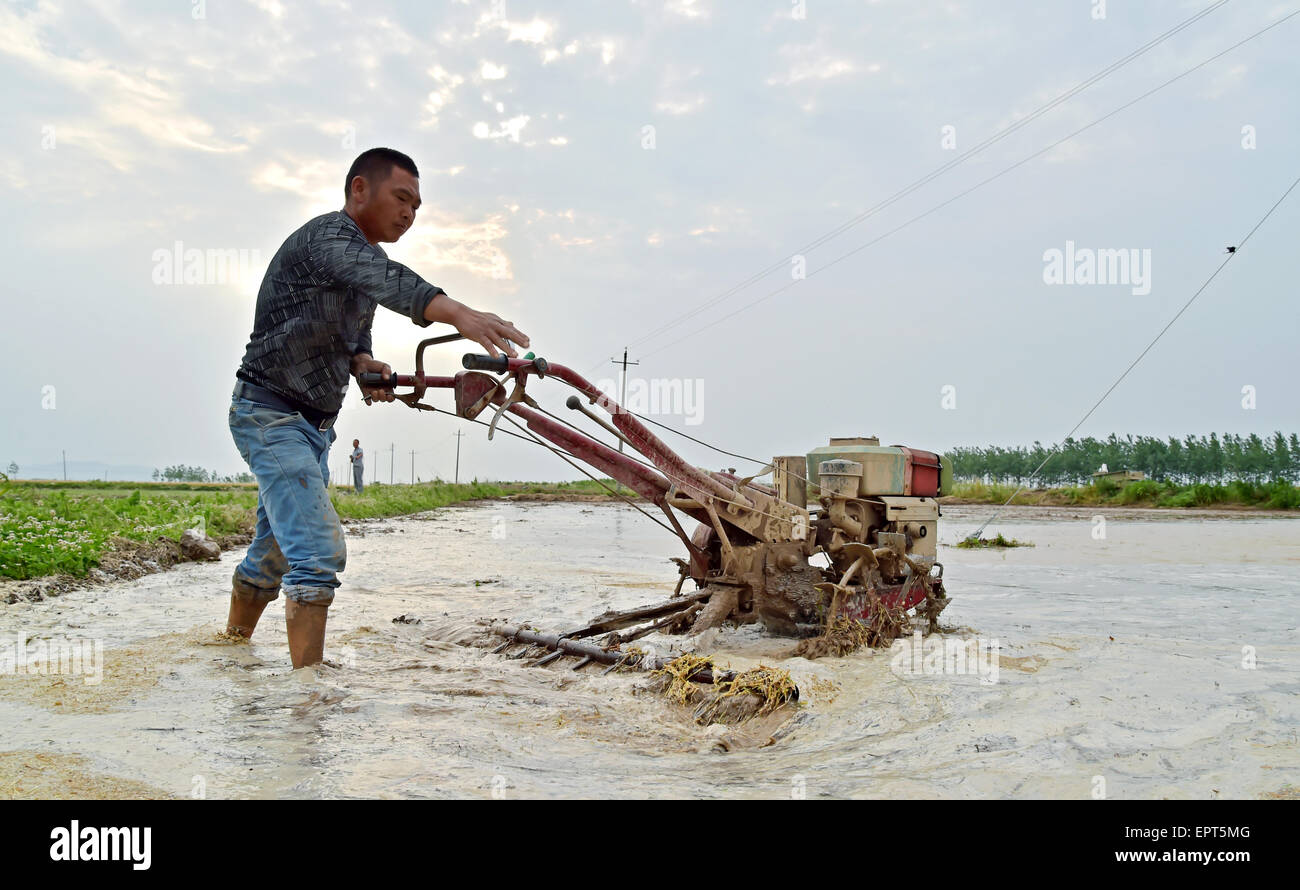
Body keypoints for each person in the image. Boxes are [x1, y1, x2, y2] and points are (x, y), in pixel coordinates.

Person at [226, 147, 529, 668]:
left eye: (417, 205)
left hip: (312, 427)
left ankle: (228, 653)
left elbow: (355, 341)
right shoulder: (328, 240)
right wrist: (459, 313)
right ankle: (309, 700)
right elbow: (395, 285)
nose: (410, 213)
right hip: (269, 413)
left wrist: (368, 367)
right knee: (318, 554)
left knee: (273, 552)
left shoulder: (364, 266)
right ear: (360, 188)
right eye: (401, 198)